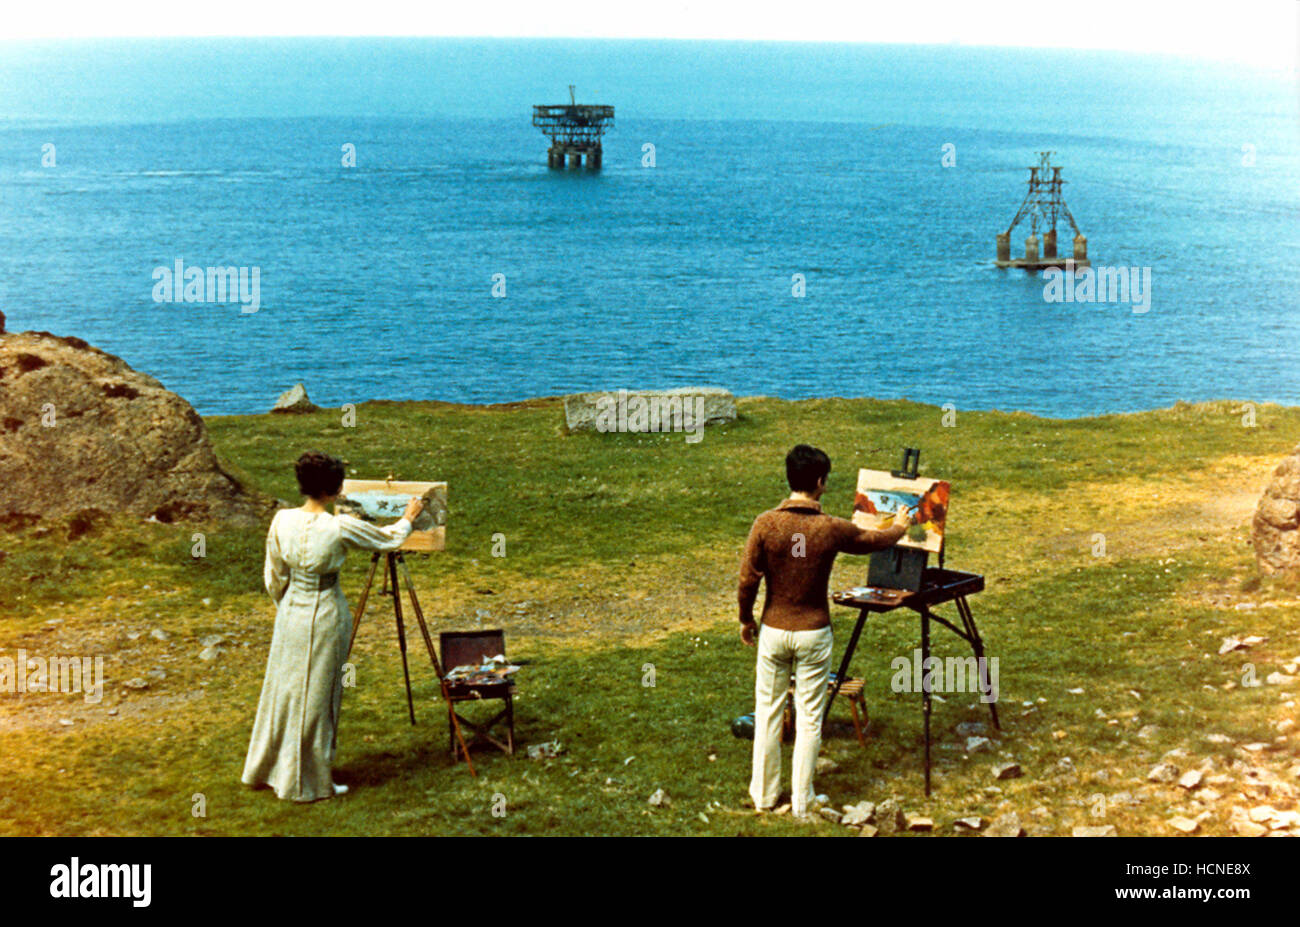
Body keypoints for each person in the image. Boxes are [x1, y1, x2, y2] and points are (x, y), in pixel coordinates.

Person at [737, 444, 913, 818]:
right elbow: (872, 541)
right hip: (814, 631)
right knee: (810, 716)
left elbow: (747, 580)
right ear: (819, 482)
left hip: (773, 628)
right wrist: (900, 525)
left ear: (789, 478)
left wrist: (745, 620)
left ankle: (764, 796)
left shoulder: (765, 524)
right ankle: (803, 801)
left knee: (767, 712)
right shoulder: (830, 528)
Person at [241, 451, 425, 802]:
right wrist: (408, 518)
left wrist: (287, 607)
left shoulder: (281, 520)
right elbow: (386, 539)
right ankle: (307, 780)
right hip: (325, 610)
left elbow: (273, 576)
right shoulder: (338, 525)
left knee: (285, 689)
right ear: (336, 489)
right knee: (319, 695)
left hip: (291, 610)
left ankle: (273, 767)